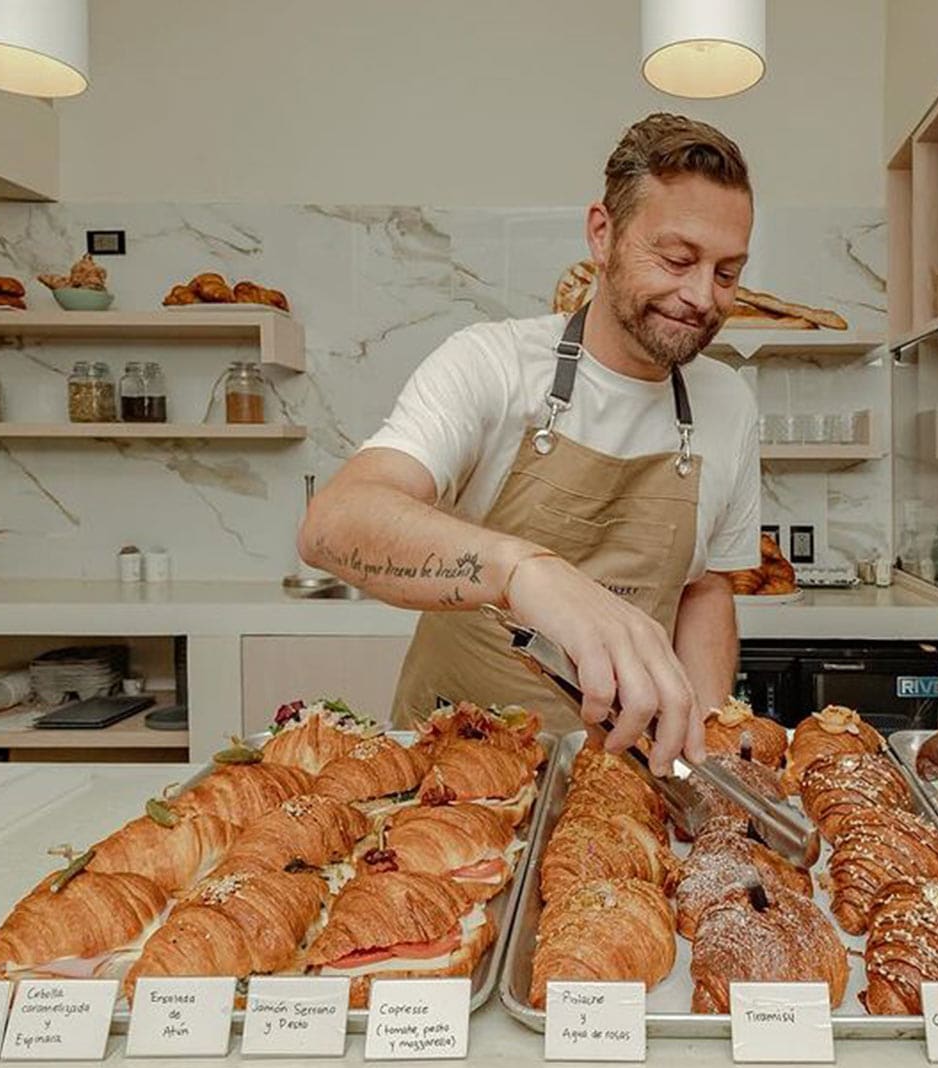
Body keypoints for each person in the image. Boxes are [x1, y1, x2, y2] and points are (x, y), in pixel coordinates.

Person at [298, 114, 762, 771]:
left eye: (726, 273)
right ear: (603, 234)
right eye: (678, 259)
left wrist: (704, 756)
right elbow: (335, 526)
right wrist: (525, 573)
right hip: (453, 776)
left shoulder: (729, 406)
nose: (700, 296)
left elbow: (706, 589)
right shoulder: (493, 364)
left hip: (629, 777)